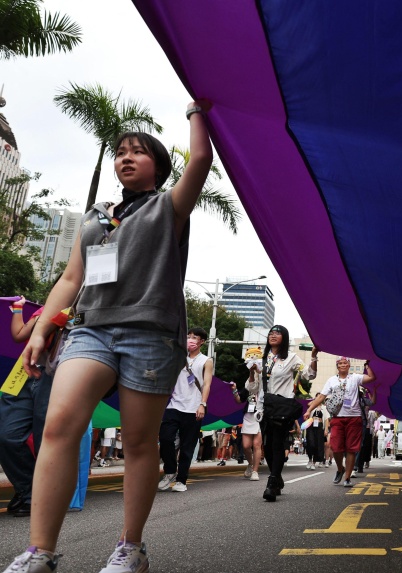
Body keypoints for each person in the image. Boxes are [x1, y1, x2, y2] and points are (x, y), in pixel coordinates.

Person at [2, 103, 213, 573]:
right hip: (91, 329)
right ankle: (40, 551)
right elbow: (71, 279)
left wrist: (198, 108)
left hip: (151, 335)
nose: (125, 157)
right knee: (58, 427)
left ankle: (130, 547)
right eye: (120, 152)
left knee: (139, 442)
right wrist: (41, 330)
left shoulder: (169, 206)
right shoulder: (96, 217)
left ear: (158, 166)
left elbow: (201, 160)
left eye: (138, 152)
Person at [0, 297, 49, 517]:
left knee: (45, 441)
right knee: (7, 435)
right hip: (23, 375)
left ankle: (34, 497)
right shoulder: (43, 312)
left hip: (54, 376)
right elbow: (19, 334)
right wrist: (18, 308)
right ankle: (27, 490)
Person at [259, 325, 317, 501]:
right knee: (267, 446)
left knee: (277, 443)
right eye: (271, 333)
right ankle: (277, 477)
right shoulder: (263, 358)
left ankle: (271, 482)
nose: (273, 335)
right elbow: (256, 385)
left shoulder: (291, 358)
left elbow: (309, 375)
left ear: (284, 337)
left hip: (282, 407)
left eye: (277, 333)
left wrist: (314, 357)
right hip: (264, 407)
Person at [303, 357, 375, 487]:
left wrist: (368, 366)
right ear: (337, 366)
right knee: (335, 447)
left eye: (345, 363)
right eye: (340, 363)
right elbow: (321, 396)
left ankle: (347, 477)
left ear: (349, 366)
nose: (343, 365)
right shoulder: (332, 380)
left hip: (354, 417)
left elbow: (371, 378)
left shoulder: (355, 378)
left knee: (351, 449)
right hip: (337, 417)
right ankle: (340, 469)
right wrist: (309, 410)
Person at [157, 327, 213, 492]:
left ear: (202, 341)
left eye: (194, 337)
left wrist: (203, 404)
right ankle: (169, 472)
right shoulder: (179, 356)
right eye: (188, 336)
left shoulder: (206, 360)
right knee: (165, 438)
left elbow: (207, 383)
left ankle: (181, 480)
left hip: (194, 408)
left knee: (188, 446)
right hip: (174, 405)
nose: (190, 339)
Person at [229, 366, 264, 480]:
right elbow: (239, 400)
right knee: (246, 446)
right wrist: (234, 390)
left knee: (256, 445)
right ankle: (250, 464)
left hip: (259, 418)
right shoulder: (248, 388)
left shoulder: (265, 389)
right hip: (248, 418)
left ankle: (255, 471)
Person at [304, 396, 326, 470]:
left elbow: (326, 419)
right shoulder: (312, 406)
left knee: (317, 444)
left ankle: (314, 462)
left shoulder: (324, 408)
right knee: (311, 443)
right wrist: (315, 401)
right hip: (311, 425)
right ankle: (310, 459)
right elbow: (308, 404)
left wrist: (326, 429)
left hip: (319, 426)